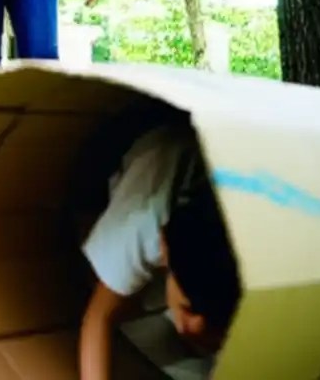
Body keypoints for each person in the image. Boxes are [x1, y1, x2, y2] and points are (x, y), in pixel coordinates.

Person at [79, 121, 243, 379]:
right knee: (108, 285)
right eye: (188, 307)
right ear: (164, 249)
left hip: (209, 157)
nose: (190, 325)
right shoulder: (144, 221)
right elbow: (99, 318)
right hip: (124, 143)